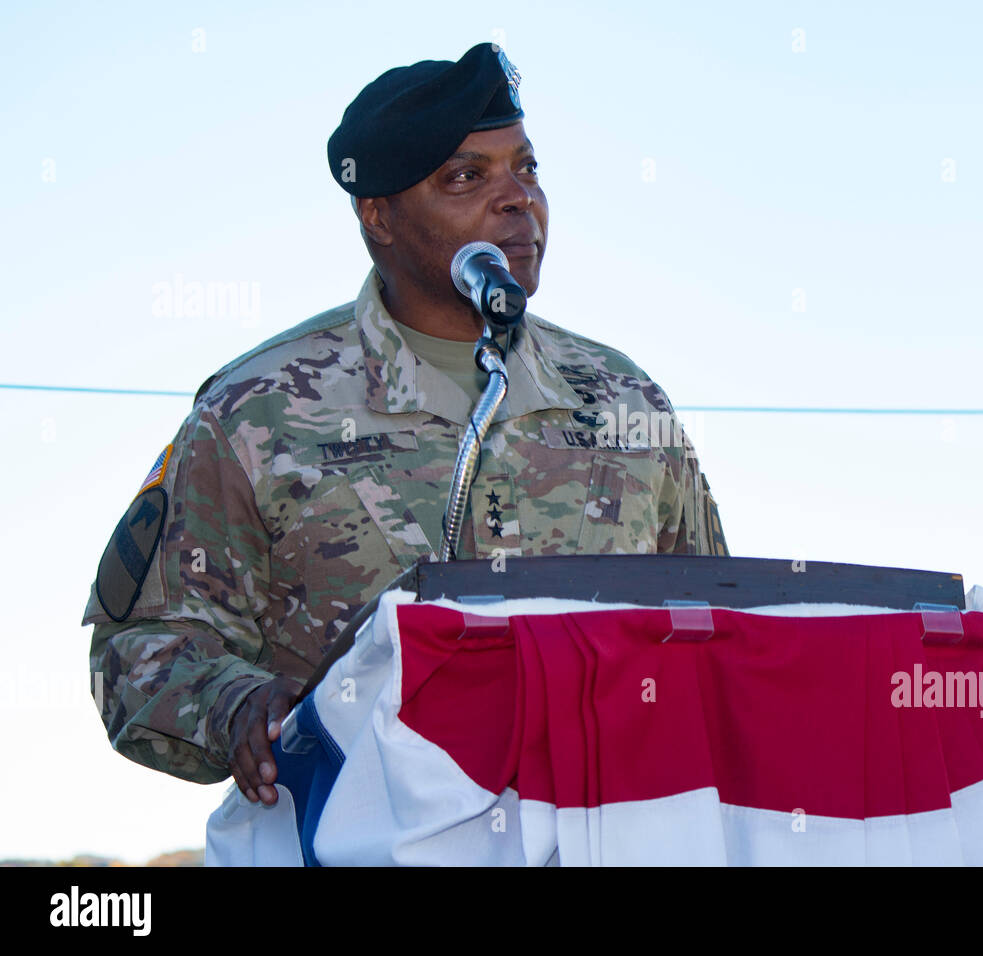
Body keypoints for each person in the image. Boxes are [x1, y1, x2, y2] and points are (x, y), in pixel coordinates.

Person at [84, 42, 728, 809]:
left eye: (526, 168)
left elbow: (720, 629)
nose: (519, 199)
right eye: (467, 177)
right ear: (378, 215)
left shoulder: (627, 401)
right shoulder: (256, 410)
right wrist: (236, 709)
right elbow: (136, 652)